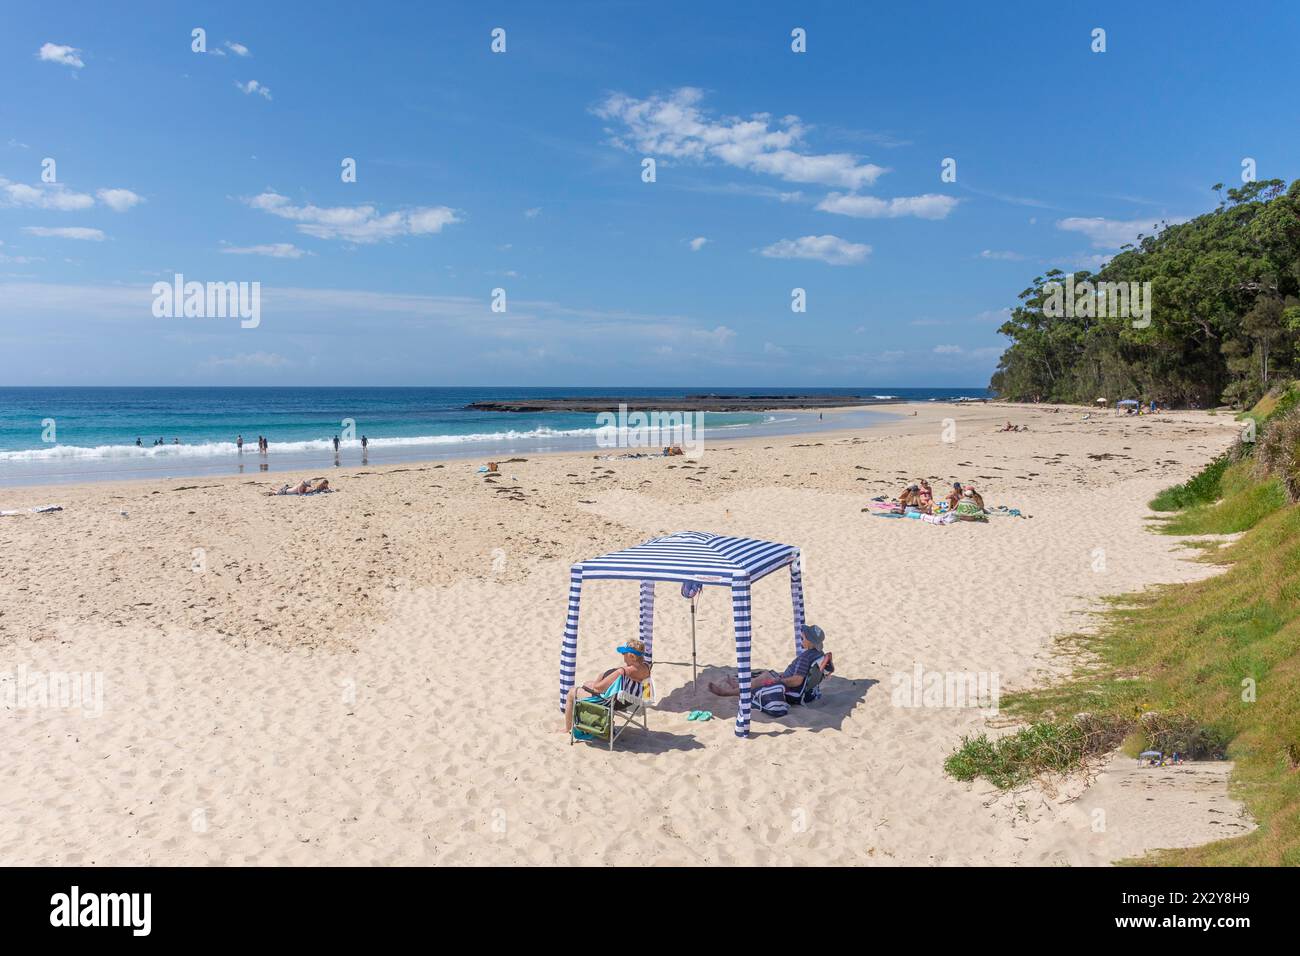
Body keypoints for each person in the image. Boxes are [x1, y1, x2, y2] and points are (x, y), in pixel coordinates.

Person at [708, 624, 831, 701]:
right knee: (764, 675)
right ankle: (738, 687)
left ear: (809, 641)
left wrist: (778, 681)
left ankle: (727, 693)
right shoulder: (819, 655)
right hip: (801, 691)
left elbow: (797, 680)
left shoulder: (806, 658)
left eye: (803, 637)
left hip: (789, 690)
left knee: (765, 677)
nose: (801, 638)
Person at [564, 638, 652, 732]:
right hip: (630, 701)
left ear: (632, 656)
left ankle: (567, 728)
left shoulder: (623, 671)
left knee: (572, 693)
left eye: (624, 654)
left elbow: (598, 689)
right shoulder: (646, 667)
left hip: (609, 703)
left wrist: (601, 676)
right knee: (587, 684)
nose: (622, 656)